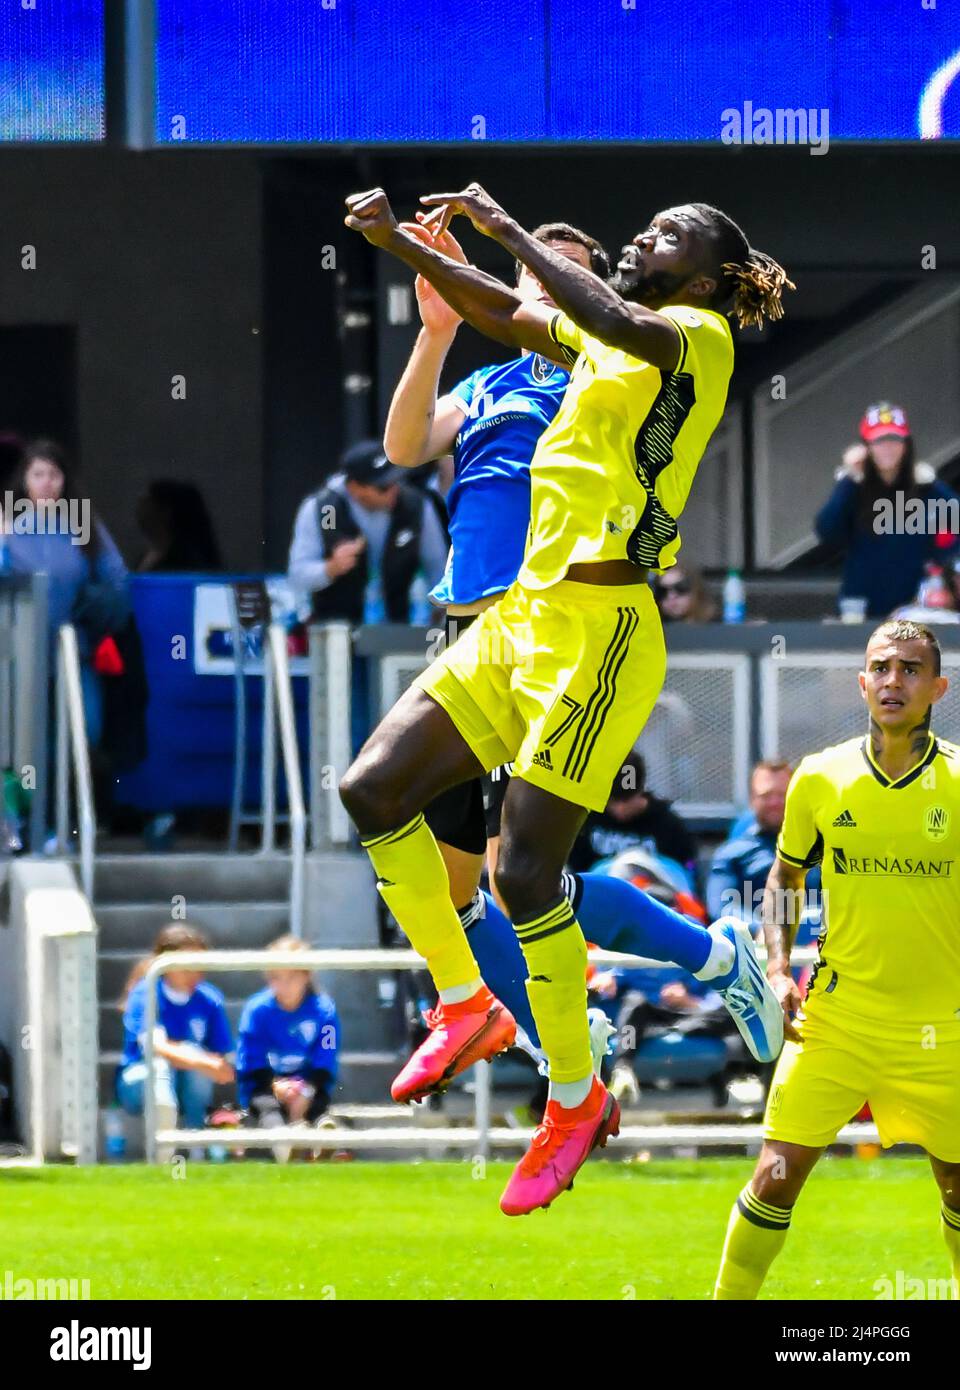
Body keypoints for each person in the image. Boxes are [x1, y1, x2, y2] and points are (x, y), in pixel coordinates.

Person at [341, 181, 792, 1214]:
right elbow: (512, 315)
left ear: (716, 277)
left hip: (601, 631)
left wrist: (505, 231)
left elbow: (609, 315)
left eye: (667, 233)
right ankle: (466, 999)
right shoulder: (599, 344)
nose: (646, 236)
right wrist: (398, 248)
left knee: (527, 877)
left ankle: (573, 1096)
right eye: (643, 228)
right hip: (514, 621)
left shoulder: (697, 336)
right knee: (371, 791)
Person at [713, 620, 960, 1299]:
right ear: (862, 682)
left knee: (958, 1186)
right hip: (838, 1017)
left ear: (938, 686)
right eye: (881, 667)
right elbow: (783, 879)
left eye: (911, 669)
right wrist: (775, 967)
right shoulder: (820, 777)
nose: (893, 681)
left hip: (944, 1027)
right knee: (775, 1175)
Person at [2, 438, 128, 750]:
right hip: (17, 654)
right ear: (24, 481)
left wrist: (93, 608)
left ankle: (70, 795)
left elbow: (118, 581)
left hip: (74, 649)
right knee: (22, 740)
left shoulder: (82, 524)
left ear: (65, 481)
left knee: (85, 731)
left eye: (54, 475)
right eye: (38, 474)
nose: (46, 483)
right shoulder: (8, 526)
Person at [815, 402, 960, 619]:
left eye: (894, 439)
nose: (887, 447)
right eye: (879, 441)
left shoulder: (925, 488)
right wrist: (849, 477)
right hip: (860, 608)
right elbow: (826, 530)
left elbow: (955, 522)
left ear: (905, 445)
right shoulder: (854, 489)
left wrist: (933, 484)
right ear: (866, 447)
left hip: (914, 611)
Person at [287, 439, 448, 627]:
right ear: (355, 487)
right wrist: (330, 568)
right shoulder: (326, 510)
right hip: (338, 631)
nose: (393, 491)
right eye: (383, 487)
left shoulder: (416, 506)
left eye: (394, 480)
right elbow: (298, 576)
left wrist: (442, 618)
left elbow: (438, 571)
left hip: (396, 629)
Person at [116, 924, 234, 1161]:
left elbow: (221, 1056)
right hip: (138, 1081)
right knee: (163, 1066)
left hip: (187, 1083)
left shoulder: (209, 999)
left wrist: (215, 1065)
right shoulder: (146, 993)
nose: (196, 973)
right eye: (187, 966)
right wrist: (199, 1060)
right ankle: (162, 1148)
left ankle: (196, 1144)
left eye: (200, 965)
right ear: (166, 965)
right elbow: (155, 1046)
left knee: (197, 1066)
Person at [236, 935, 340, 1162]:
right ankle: (285, 1142)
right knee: (267, 1107)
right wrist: (275, 1085)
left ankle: (323, 1132)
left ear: (306, 976)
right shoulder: (257, 1010)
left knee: (318, 1103)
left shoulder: (324, 1010)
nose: (283, 985)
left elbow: (326, 1058)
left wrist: (307, 1090)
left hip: (308, 1083)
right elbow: (250, 1060)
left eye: (291, 977)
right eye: (275, 977)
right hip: (268, 1085)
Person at [568, 750, 698, 877]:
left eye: (626, 800)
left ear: (640, 791)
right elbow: (577, 872)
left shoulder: (667, 824)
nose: (619, 808)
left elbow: (683, 874)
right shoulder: (589, 820)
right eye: (613, 801)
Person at [135, 479, 224, 572]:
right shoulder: (148, 555)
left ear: (165, 511)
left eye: (145, 503)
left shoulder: (187, 562)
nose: (138, 510)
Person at [652, 560, 717, 623]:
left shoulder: (718, 625)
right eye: (662, 591)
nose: (671, 596)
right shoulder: (650, 629)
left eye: (680, 587)